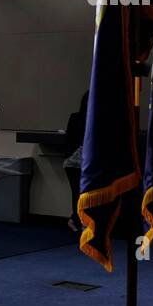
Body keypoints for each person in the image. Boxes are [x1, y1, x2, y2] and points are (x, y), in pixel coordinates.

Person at [63, 92, 89, 234]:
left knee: (77, 194)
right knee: (83, 194)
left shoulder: (75, 117)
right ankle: (80, 222)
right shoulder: (94, 119)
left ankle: (76, 220)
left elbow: (69, 139)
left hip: (72, 160)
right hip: (80, 160)